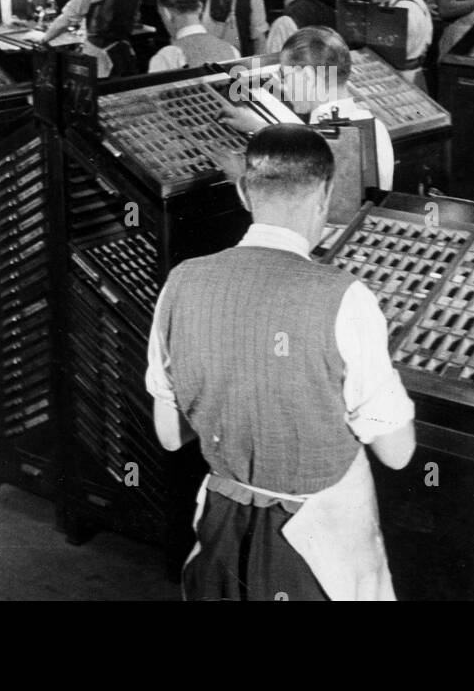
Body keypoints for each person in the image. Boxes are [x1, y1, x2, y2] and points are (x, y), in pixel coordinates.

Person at [146, 124, 416, 601]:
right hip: (321, 549)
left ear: (243, 193)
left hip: (223, 532)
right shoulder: (346, 296)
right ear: (325, 195)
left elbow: (170, 435)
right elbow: (397, 453)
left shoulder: (181, 282)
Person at [220, 26, 395, 191]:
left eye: (285, 76)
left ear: (308, 76)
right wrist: (257, 126)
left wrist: (241, 178)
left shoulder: (320, 146)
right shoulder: (375, 126)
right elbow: (310, 138)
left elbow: (292, 206)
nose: (284, 86)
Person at [352, 0, 432, 87]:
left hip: (406, 82)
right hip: (395, 78)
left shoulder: (405, 7)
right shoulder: (391, 3)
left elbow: (391, 54)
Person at [149, 0, 240, 73]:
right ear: (200, 7)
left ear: (167, 13)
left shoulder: (167, 56)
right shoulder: (232, 50)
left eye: (161, 16)